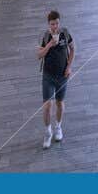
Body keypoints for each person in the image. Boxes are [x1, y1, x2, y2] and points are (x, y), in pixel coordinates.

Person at [37, 9, 74, 148]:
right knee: (47, 106)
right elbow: (39, 55)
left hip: (62, 76)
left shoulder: (65, 33)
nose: (55, 26)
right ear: (48, 24)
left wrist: (69, 67)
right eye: (52, 24)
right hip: (48, 76)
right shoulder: (45, 36)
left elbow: (73, 49)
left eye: (57, 23)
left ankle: (58, 127)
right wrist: (49, 45)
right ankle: (48, 132)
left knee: (59, 103)